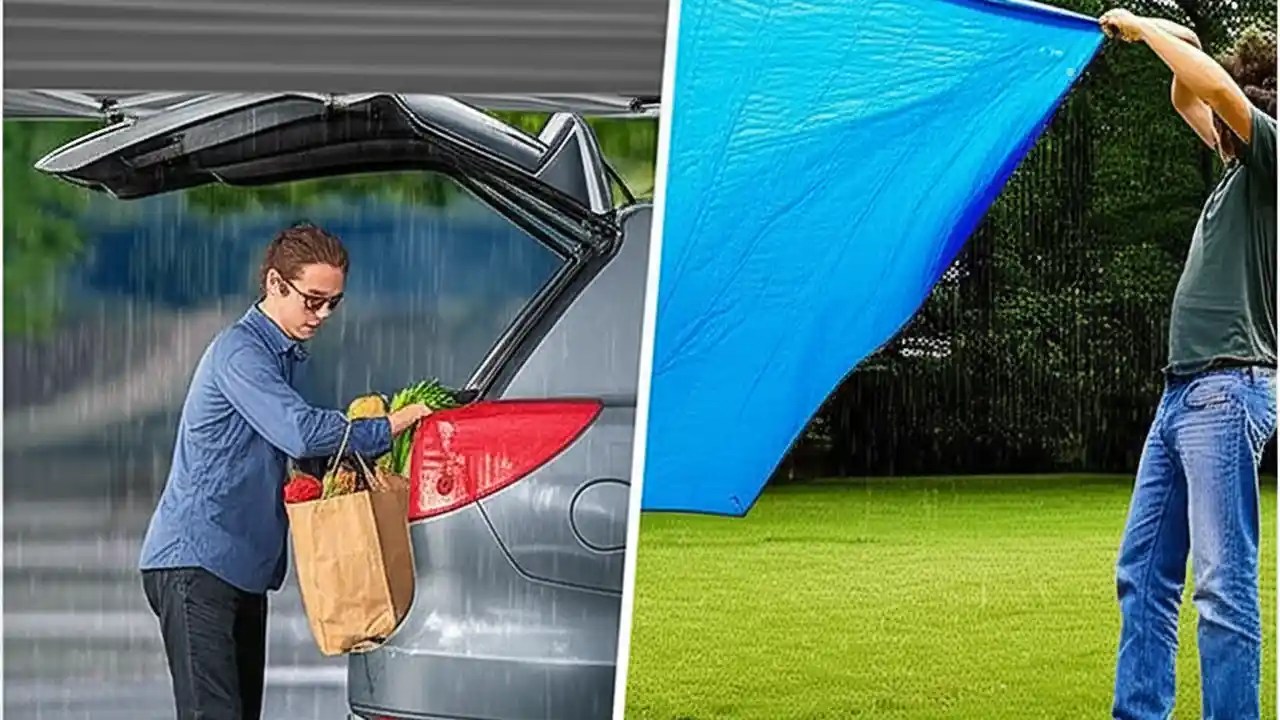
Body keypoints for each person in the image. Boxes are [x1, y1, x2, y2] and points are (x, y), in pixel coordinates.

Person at [137, 222, 432, 719]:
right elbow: (299, 432)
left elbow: (307, 453)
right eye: (312, 300)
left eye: (333, 304)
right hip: (195, 563)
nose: (321, 316)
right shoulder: (241, 353)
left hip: (243, 570)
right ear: (275, 284)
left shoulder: (286, 358)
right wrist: (390, 425)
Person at [1099, 10, 1277, 720]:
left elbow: (1209, 87)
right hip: (1182, 395)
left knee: (1221, 585)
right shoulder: (1235, 168)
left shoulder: (1271, 156)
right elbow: (1186, 92)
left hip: (1229, 390)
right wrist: (1172, 34)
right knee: (1142, 574)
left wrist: (1144, 30)